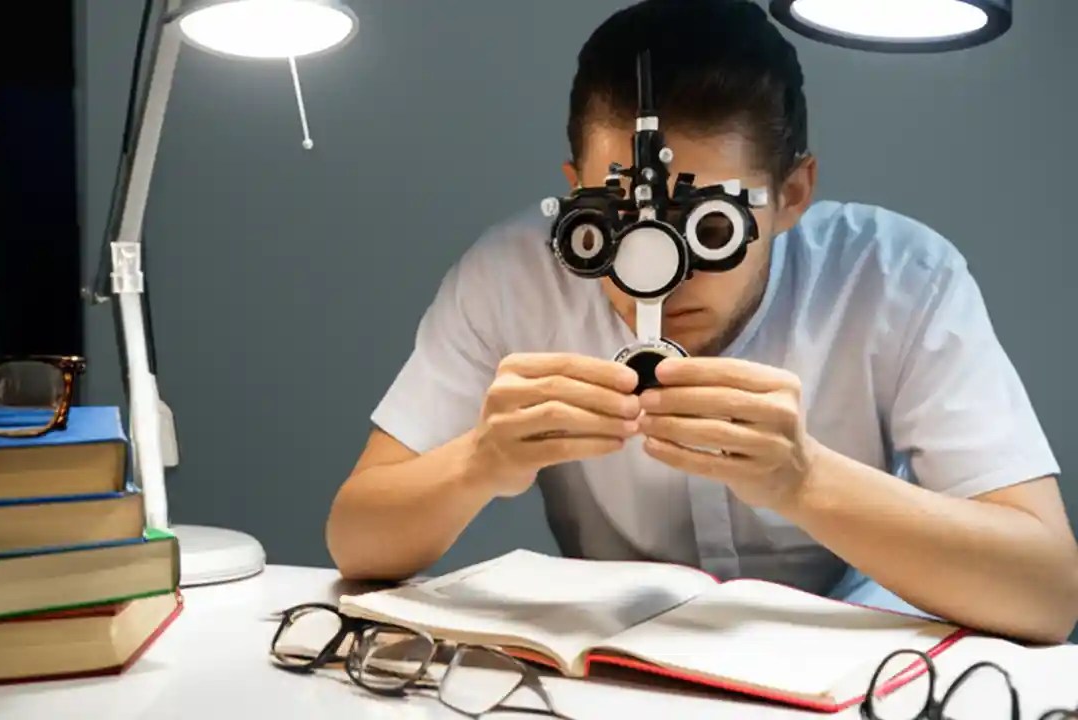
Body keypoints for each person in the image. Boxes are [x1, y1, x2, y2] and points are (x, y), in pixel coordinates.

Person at [325, 0, 1078, 643]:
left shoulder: (897, 277)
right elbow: (357, 539)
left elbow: (1046, 591)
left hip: (849, 665)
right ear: (575, 192)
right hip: (615, 672)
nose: (661, 270)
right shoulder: (511, 274)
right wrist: (481, 459)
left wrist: (806, 478)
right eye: (615, 222)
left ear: (791, 194)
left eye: (710, 230)